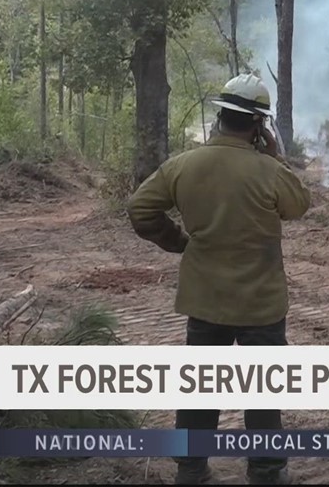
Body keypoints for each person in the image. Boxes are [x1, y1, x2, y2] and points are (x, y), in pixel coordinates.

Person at [127, 74, 312, 485]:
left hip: (205, 299)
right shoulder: (268, 170)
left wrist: (178, 242)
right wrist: (276, 156)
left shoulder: (183, 165)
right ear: (259, 126)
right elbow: (299, 204)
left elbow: (140, 209)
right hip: (261, 304)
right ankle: (265, 472)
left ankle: (191, 470)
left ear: (220, 117)